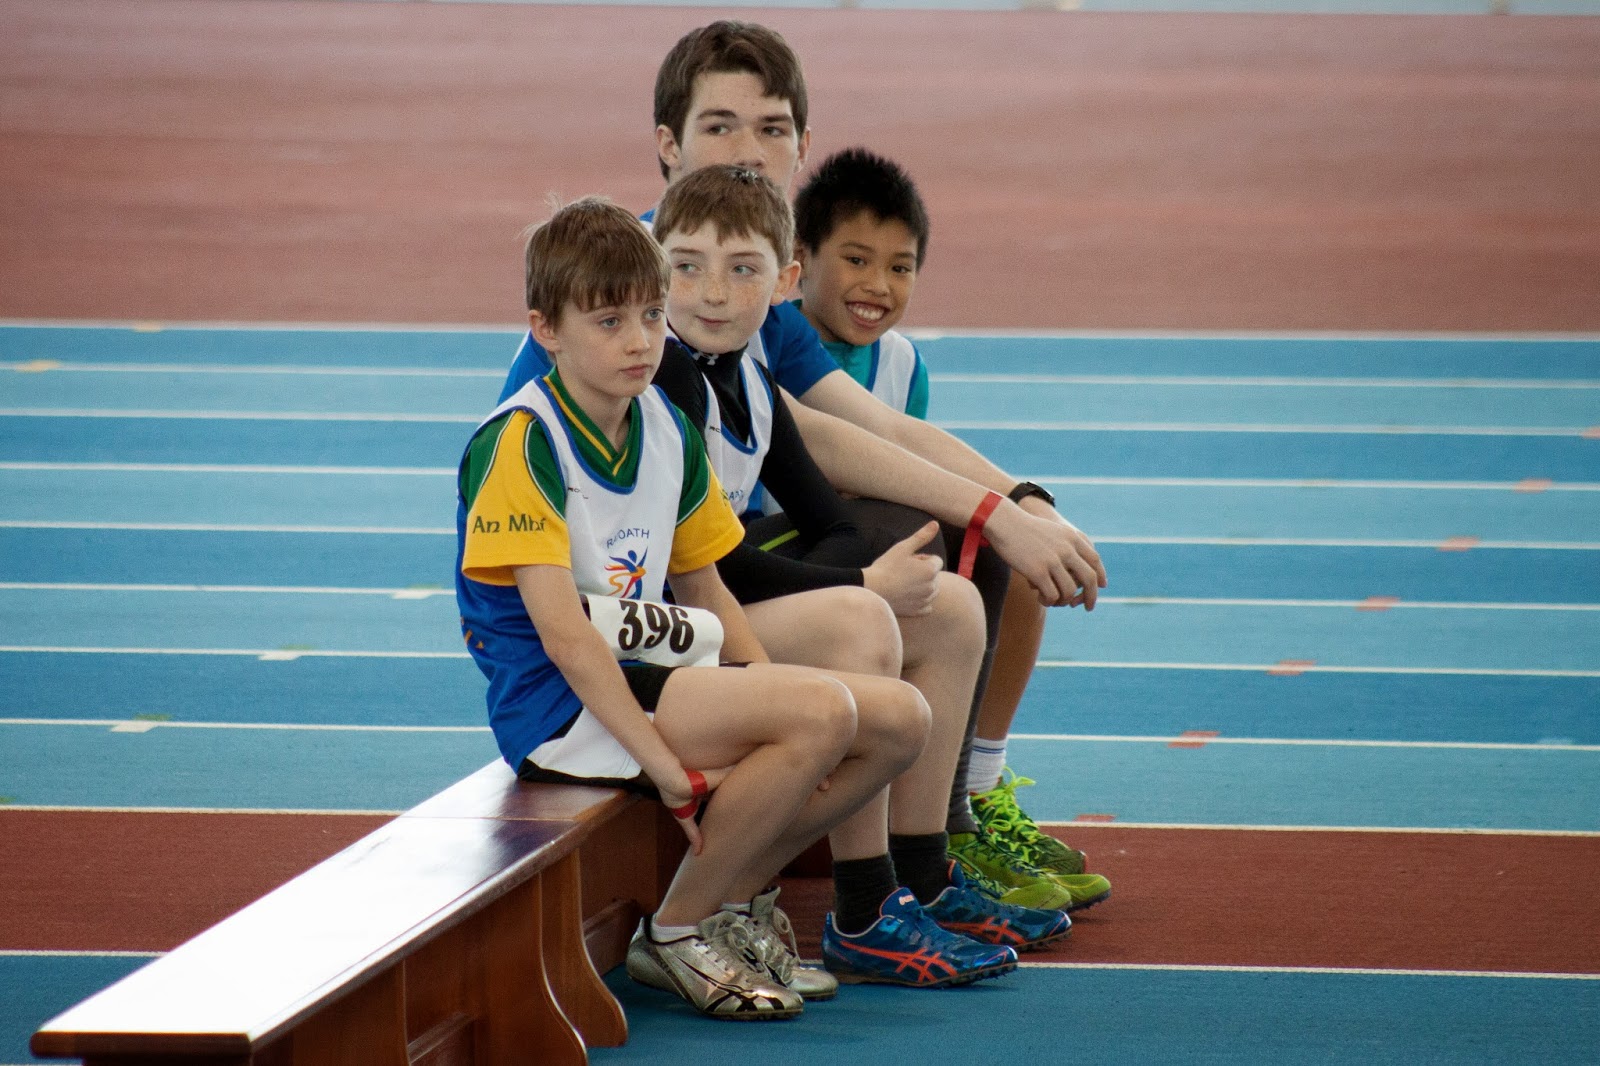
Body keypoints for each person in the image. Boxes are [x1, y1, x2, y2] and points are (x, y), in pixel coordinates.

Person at [497, 19, 1109, 911]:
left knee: (947, 577)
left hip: (682, 586)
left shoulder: (744, 283)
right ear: (667, 147)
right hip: (614, 619)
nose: (747, 151)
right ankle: (786, 904)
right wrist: (971, 522)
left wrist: (1006, 504)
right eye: (720, 127)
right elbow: (703, 544)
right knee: (881, 600)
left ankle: (933, 854)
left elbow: (842, 433)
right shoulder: (651, 294)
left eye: (771, 129)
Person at [456, 197, 1016, 1018]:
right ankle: (679, 930)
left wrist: (757, 687)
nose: (641, 340)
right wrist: (669, 775)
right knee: (823, 711)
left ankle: (731, 896)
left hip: (657, 666)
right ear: (546, 330)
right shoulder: (521, 442)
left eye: (650, 315)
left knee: (897, 720)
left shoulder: (662, 427)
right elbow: (569, 642)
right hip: (563, 704)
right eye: (609, 322)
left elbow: (707, 588)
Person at [649, 165, 1075, 975]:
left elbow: (834, 520)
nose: (712, 292)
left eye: (741, 270)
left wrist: (865, 568)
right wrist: (858, 585)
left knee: (948, 609)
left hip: (723, 606)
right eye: (687, 267)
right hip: (673, 629)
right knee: (863, 615)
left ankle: (921, 872)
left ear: (782, 282)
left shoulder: (746, 375)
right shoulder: (667, 381)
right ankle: (863, 900)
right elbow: (713, 566)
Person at [792, 146, 1105, 894]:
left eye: (899, 268)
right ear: (798, 259)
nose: (877, 285)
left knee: (1004, 555)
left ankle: (976, 791)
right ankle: (940, 829)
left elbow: (907, 454)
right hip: (788, 557)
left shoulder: (899, 362)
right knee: (963, 548)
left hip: (853, 548)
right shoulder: (777, 337)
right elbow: (855, 466)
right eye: (855, 260)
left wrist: (1022, 504)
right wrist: (998, 513)